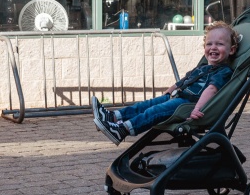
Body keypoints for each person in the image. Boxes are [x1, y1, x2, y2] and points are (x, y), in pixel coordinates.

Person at [92, 21, 239, 145]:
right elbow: (184, 80)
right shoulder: (203, 67)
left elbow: (211, 89)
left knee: (154, 111)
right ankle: (112, 117)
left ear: (231, 50)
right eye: (209, 44)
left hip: (189, 105)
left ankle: (122, 130)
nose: (213, 47)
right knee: (146, 105)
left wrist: (198, 108)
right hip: (177, 97)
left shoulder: (223, 71)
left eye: (219, 44)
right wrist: (170, 90)